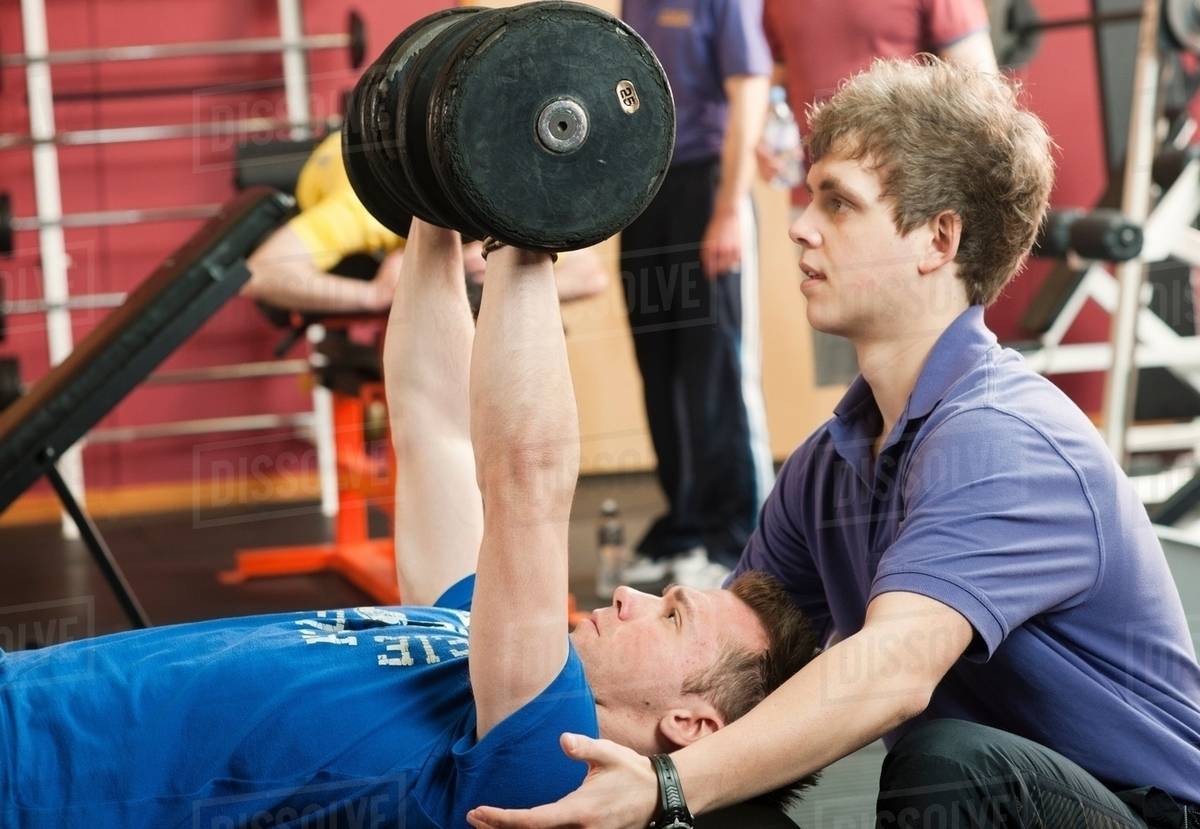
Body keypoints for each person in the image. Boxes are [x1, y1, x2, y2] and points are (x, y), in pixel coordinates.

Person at [466, 59, 1200, 829]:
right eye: (811, 194)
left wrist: (667, 786)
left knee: (944, 767)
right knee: (716, 768)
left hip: (1145, 814)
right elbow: (731, 672)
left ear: (938, 239)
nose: (800, 225)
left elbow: (893, 673)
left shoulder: (1001, 440)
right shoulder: (828, 464)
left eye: (839, 203)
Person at [0, 219, 818, 827]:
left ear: (688, 723)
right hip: (23, 690)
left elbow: (526, 482)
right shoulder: (479, 645)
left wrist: (527, 226)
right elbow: (436, 430)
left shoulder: (548, 760)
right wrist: (434, 206)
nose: (633, 597)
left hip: (31, 778)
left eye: (670, 616)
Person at [756, 0, 996, 388]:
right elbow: (777, 74)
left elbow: (983, 97)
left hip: (900, 211)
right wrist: (765, 128)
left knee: (919, 371)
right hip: (819, 199)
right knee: (854, 377)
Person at [618, 0, 776, 590]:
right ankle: (683, 526)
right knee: (659, 367)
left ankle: (736, 537)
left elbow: (750, 89)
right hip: (647, 191)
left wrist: (729, 209)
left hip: (709, 188)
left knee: (716, 370)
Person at [241, 131, 609, 315]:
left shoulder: (507, 194)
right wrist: (373, 295)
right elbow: (260, 273)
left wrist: (505, 272)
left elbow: (591, 276)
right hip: (337, 166)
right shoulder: (368, 210)